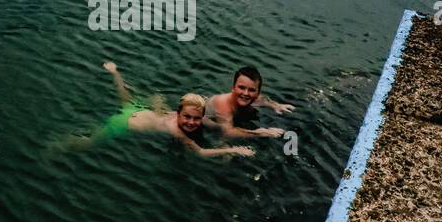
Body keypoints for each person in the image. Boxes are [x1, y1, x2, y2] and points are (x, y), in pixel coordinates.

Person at [91, 62, 254, 157]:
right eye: (187, 117)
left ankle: (114, 72)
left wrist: (251, 131)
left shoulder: (195, 117)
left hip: (139, 109)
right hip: (123, 123)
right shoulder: (177, 130)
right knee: (87, 142)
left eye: (196, 118)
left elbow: (218, 126)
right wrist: (234, 149)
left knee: (126, 97)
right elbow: (201, 152)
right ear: (178, 114)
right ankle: (64, 147)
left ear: (202, 116)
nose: (191, 122)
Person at [206, 65, 294, 139]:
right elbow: (228, 132)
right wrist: (260, 133)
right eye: (241, 87)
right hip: (209, 119)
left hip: (235, 116)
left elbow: (263, 100)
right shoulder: (223, 103)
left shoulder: (255, 97)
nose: (246, 93)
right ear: (233, 88)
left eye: (251, 90)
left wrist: (276, 106)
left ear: (257, 93)